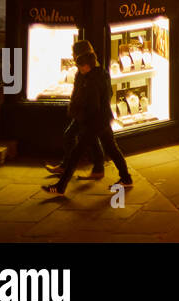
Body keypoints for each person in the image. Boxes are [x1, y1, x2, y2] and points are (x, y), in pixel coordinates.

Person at [43, 52, 133, 195]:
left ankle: (60, 187)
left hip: (94, 122)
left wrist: (84, 120)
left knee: (76, 154)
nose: (79, 69)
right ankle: (126, 179)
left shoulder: (91, 81)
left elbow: (92, 105)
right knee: (112, 149)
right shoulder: (101, 74)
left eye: (80, 67)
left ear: (86, 66)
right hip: (103, 119)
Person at [44, 40, 105, 183]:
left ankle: (70, 168)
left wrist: (84, 108)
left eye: (74, 53)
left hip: (86, 112)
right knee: (88, 139)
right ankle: (96, 168)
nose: (72, 55)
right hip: (82, 111)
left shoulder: (89, 69)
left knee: (72, 136)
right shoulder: (83, 67)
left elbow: (91, 93)